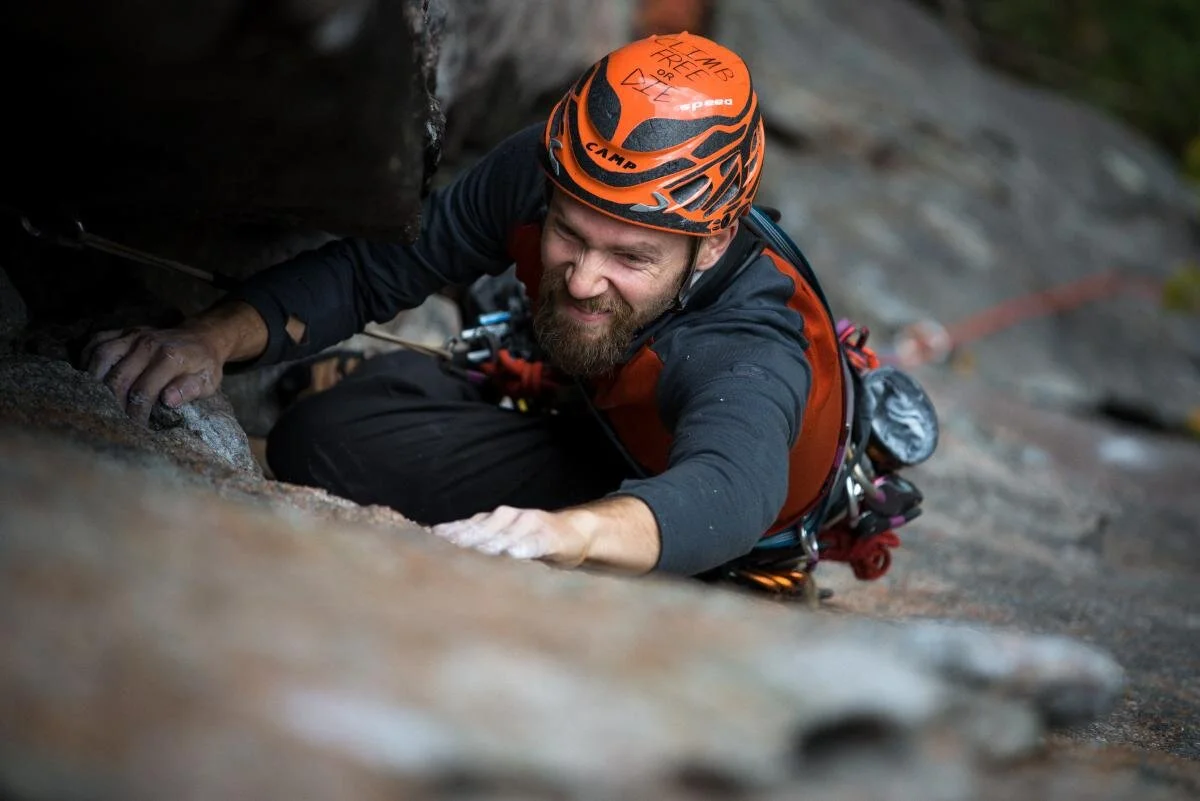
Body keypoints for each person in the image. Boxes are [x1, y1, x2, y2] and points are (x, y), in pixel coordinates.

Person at [81, 32, 850, 580]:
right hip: (588, 401)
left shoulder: (750, 345)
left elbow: (730, 490)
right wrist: (210, 339)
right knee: (319, 435)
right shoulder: (554, 171)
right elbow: (383, 266)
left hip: (684, 503)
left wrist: (570, 532)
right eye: (570, 236)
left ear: (710, 244)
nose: (583, 277)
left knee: (338, 442)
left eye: (630, 257)